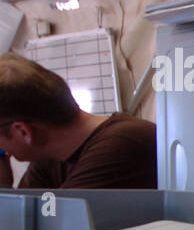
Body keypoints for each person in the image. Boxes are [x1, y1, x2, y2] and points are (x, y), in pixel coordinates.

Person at [0, 53, 157, 189]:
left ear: (23, 131)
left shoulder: (121, 145)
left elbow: (59, 222)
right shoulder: (51, 157)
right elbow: (23, 218)